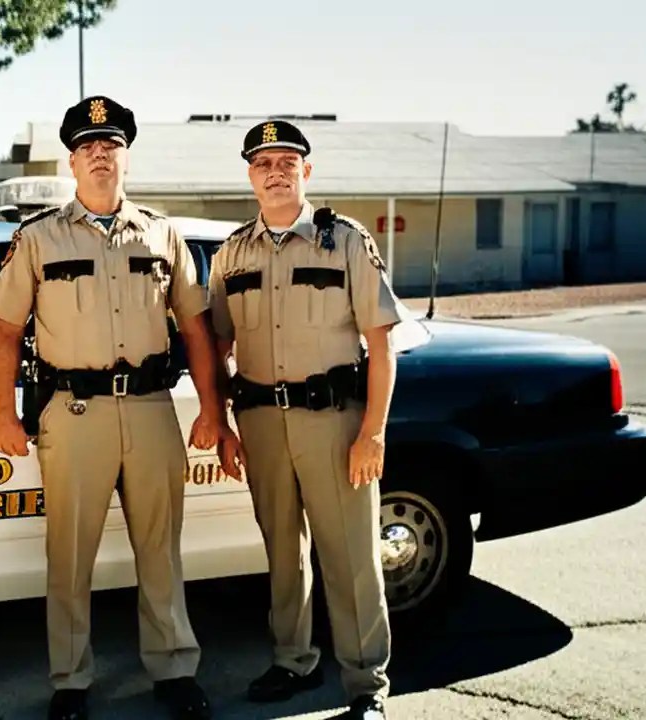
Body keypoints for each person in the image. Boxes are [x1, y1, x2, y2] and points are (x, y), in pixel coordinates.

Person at [0, 95, 239, 720]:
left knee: (161, 548)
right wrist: (4, 416)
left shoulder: (163, 233)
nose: (101, 156)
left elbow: (196, 329)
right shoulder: (38, 237)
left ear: (125, 157)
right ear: (71, 162)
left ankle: (175, 669)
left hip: (152, 408)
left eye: (112, 146)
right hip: (72, 414)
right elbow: (6, 334)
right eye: (88, 148)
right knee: (69, 554)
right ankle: (70, 681)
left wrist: (212, 409)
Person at [207, 119, 403, 720]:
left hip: (334, 422)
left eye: (286, 162)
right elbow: (215, 345)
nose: (274, 172)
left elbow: (381, 342)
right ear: (249, 176)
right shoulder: (231, 253)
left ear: (306, 172)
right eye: (263, 163)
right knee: (282, 554)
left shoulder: (344, 241)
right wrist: (221, 423)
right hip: (262, 423)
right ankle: (293, 660)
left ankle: (365, 684)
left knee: (349, 557)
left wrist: (373, 432)